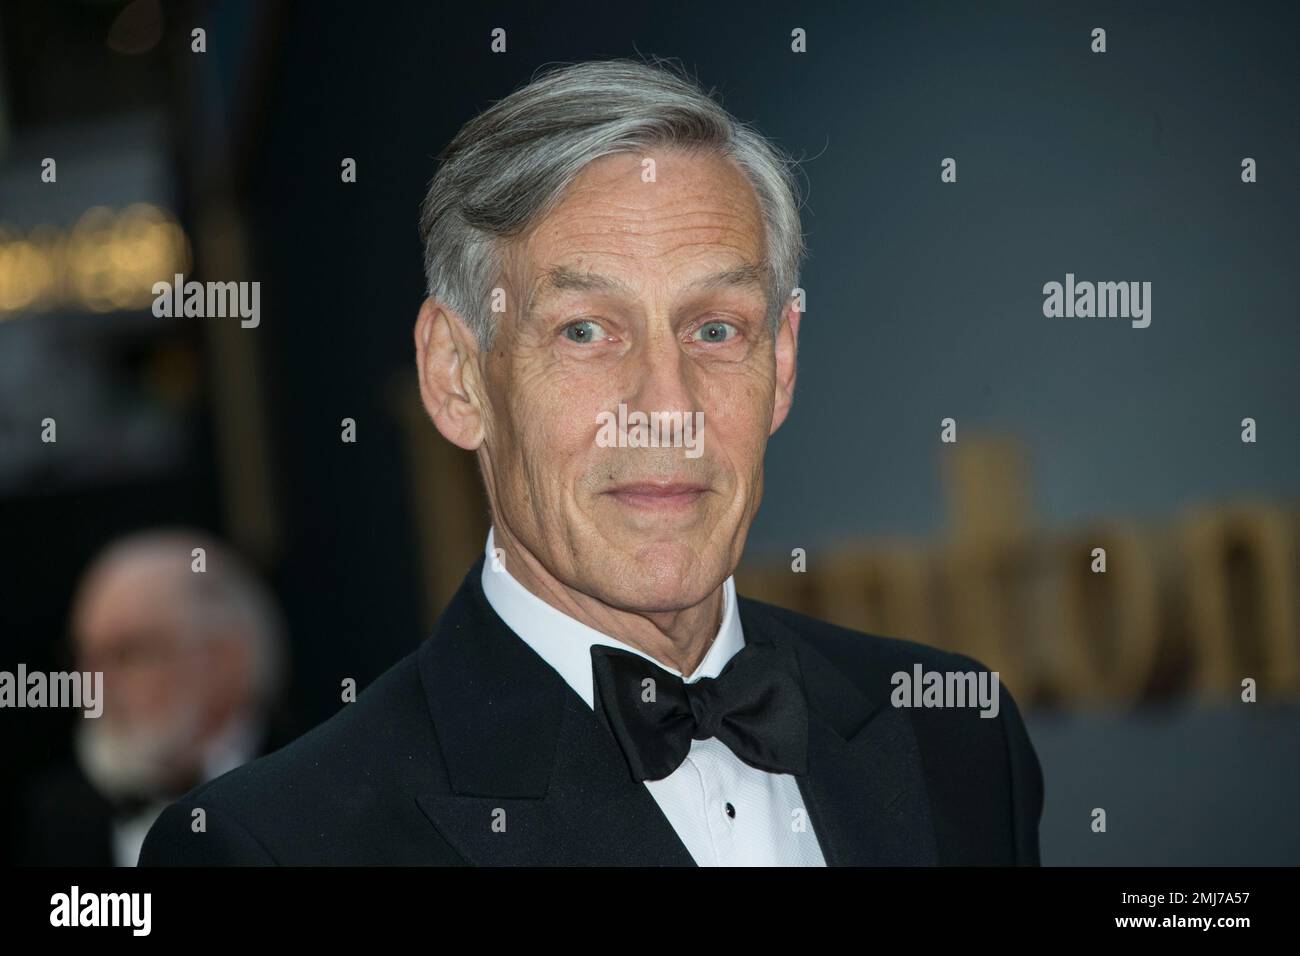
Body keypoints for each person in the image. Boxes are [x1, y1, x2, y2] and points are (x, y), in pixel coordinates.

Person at [141, 58, 1042, 866]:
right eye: (585, 332)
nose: (666, 407)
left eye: (716, 329)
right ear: (457, 379)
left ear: (783, 363)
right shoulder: (278, 849)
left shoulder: (954, 734)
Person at [18, 529, 290, 866]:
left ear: (225, 659)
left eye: (128, 654)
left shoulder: (311, 789)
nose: (94, 683)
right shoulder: (59, 818)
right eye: (84, 658)